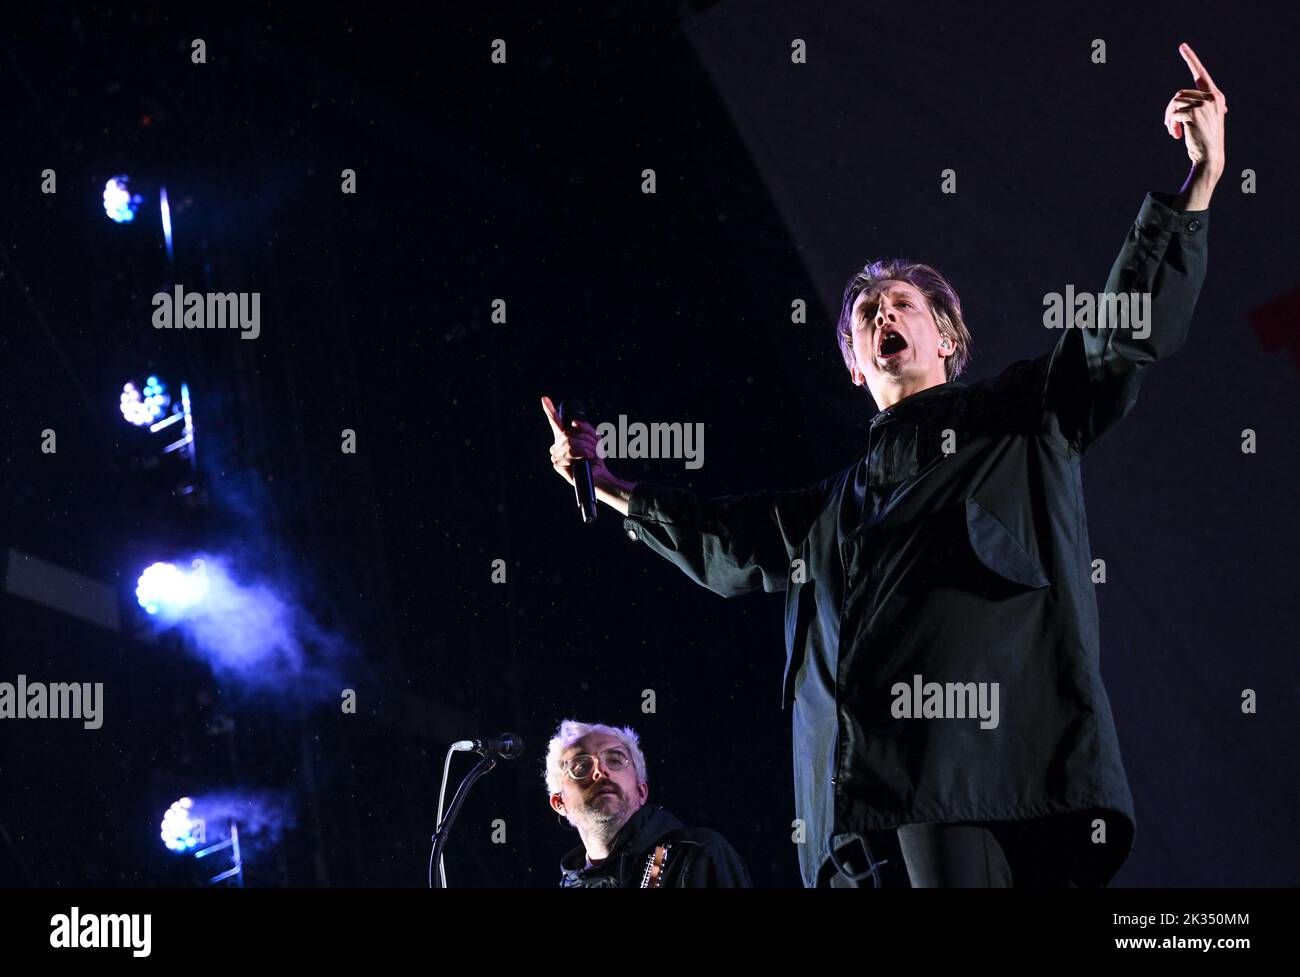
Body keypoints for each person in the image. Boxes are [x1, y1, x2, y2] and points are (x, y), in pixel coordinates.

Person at [541, 44, 1226, 888]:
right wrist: (608, 483)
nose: (882, 312)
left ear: (948, 338)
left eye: (904, 303)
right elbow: (723, 541)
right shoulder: (831, 509)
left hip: (974, 786)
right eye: (867, 310)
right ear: (855, 366)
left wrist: (1195, 184)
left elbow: (1121, 335)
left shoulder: (1015, 422)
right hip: (851, 826)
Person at [544, 719, 753, 887]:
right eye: (581, 767)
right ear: (559, 802)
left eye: (615, 760)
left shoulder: (699, 854)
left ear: (641, 791)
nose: (600, 771)